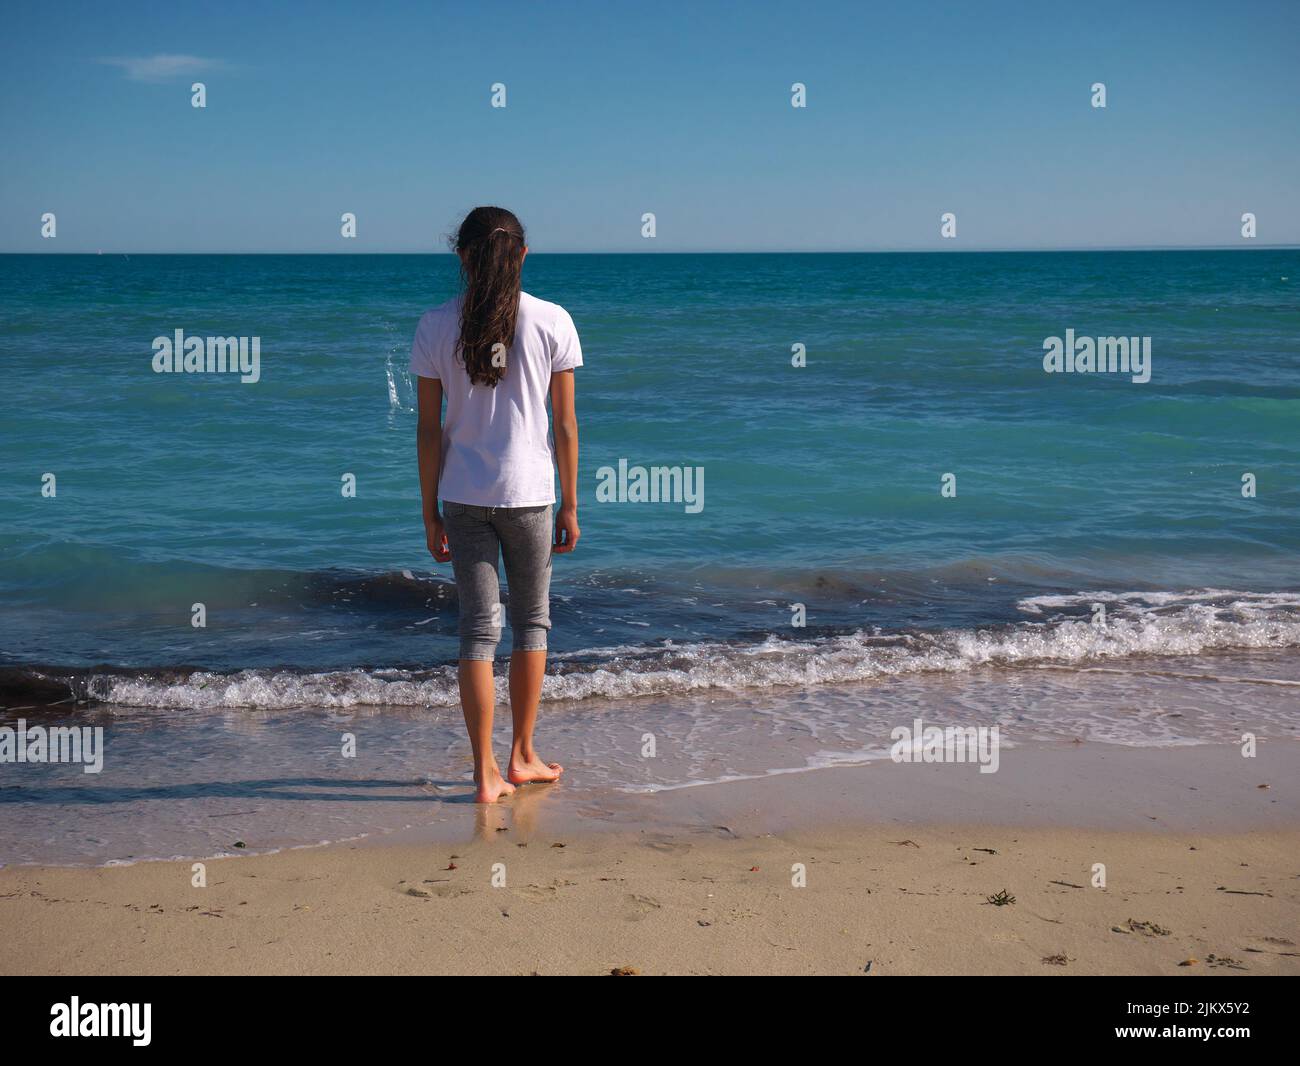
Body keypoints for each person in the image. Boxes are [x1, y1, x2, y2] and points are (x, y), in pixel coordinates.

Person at [411, 206, 582, 802]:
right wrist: (571, 504)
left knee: (477, 634)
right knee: (531, 624)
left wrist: (429, 510)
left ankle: (483, 773)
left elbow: (428, 431)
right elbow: (564, 425)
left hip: (461, 493)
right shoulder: (553, 321)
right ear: (524, 255)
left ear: (461, 256)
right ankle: (523, 756)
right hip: (530, 494)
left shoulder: (435, 325)